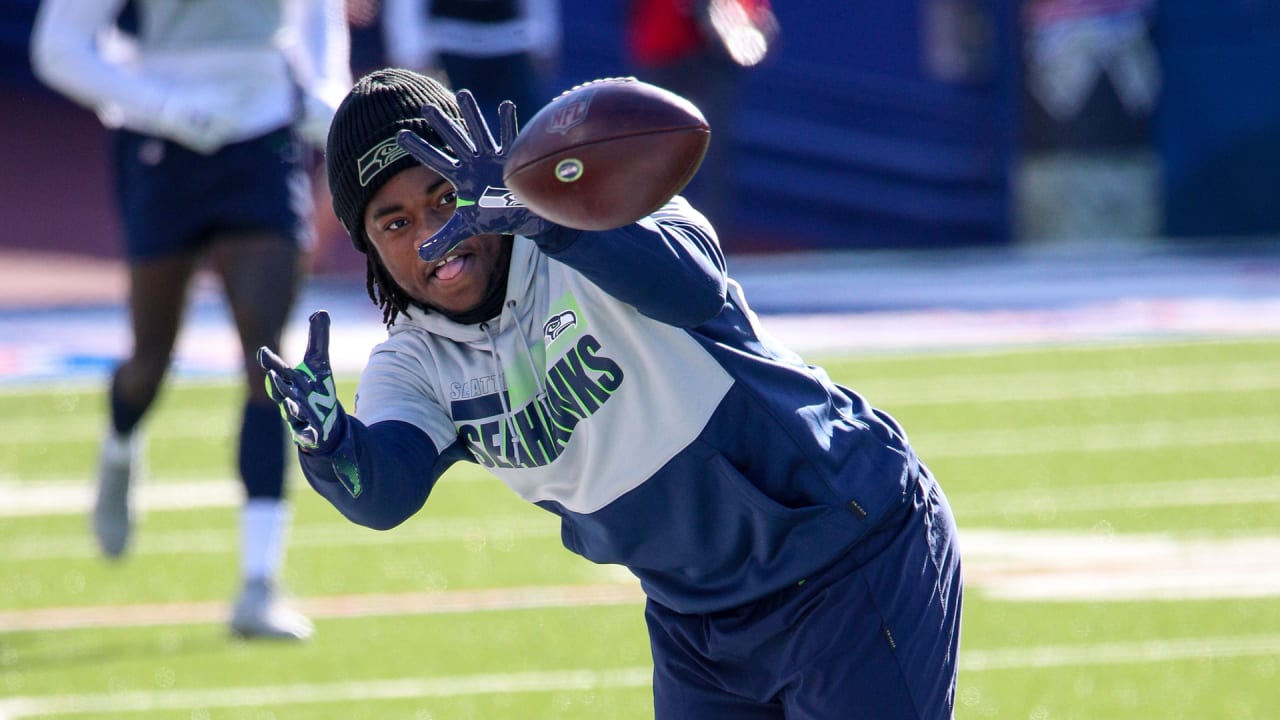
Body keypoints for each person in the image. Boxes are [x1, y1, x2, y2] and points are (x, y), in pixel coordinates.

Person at [259, 68, 962, 716]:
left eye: (448, 197)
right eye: (397, 223)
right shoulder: (413, 362)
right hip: (697, 621)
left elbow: (691, 286)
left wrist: (550, 221)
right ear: (368, 246)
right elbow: (385, 492)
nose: (436, 236)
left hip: (845, 555)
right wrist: (330, 445)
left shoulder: (581, 219)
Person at [29, 0, 352, 640]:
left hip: (262, 138)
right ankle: (120, 446)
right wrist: (160, 104)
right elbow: (59, 47)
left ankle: (259, 583)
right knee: (150, 360)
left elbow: (319, 27)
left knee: (268, 360)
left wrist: (324, 96)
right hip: (163, 143)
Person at [625, 0, 779, 238]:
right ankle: (642, 232)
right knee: (650, 152)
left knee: (714, 157)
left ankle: (711, 240)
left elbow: (753, 17)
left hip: (711, 59)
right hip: (663, 50)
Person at [380, 0, 560, 128]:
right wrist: (409, 53)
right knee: (447, 133)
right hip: (449, 50)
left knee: (530, 131)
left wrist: (544, 42)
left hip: (511, 45)